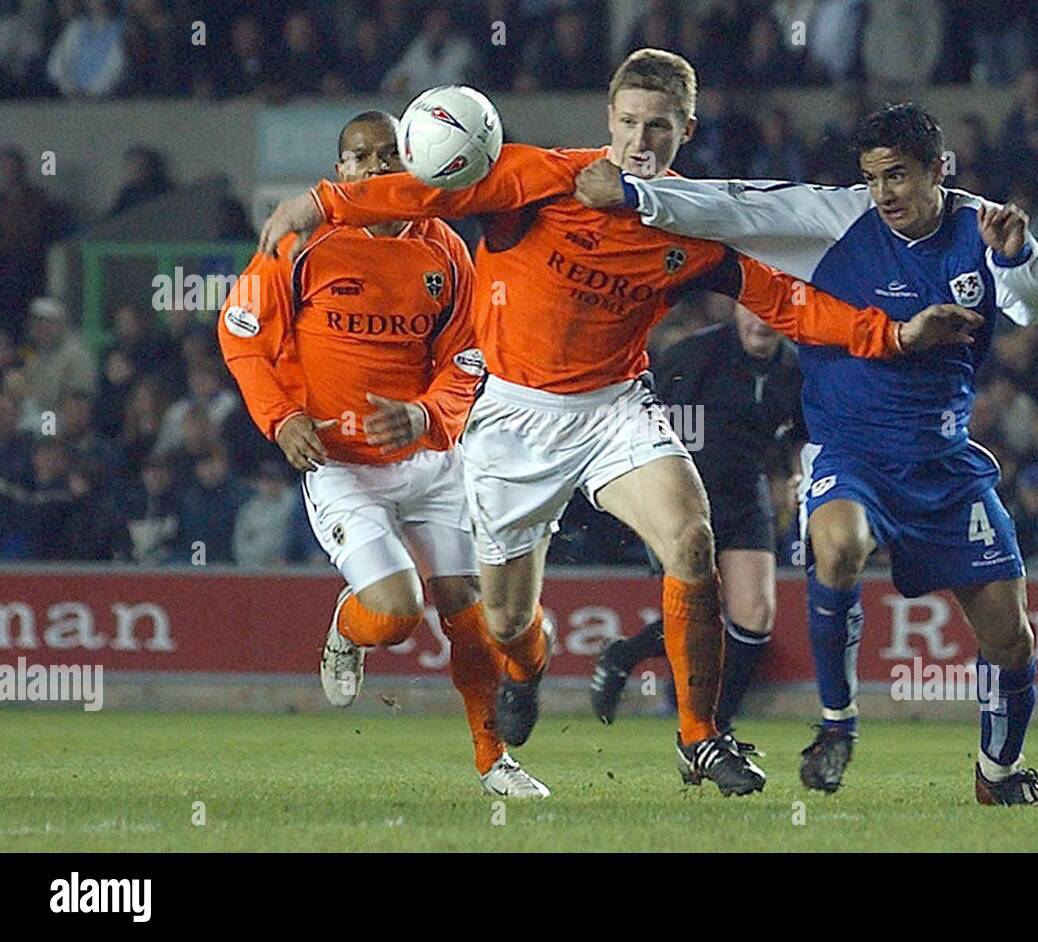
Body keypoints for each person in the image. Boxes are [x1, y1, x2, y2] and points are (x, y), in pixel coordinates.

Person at [257, 52, 980, 796]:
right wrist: (321, 204)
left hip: (614, 408)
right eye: (629, 122)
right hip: (513, 414)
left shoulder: (688, 229)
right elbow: (431, 190)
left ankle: (700, 736)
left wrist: (890, 336)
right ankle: (526, 671)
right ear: (608, 118)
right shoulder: (543, 179)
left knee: (691, 538)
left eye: (658, 127)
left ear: (684, 131)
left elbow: (787, 303)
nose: (640, 140)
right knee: (505, 620)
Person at [575, 101, 1038, 805]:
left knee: (1011, 639)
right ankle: (838, 724)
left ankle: (999, 777)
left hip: (944, 464)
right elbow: (735, 205)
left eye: (898, 176)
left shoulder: (983, 227)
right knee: (836, 544)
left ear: (938, 169)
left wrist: (1018, 256)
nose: (884, 195)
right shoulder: (836, 220)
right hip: (853, 454)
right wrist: (636, 194)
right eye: (873, 178)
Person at [221, 111, 548, 798]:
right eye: (360, 159)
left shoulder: (446, 251)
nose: (375, 170)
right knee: (396, 617)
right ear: (341, 173)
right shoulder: (302, 241)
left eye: (389, 157)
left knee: (468, 608)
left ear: (415, 166)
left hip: (430, 458)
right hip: (340, 464)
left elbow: (468, 358)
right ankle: (348, 625)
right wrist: (280, 421)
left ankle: (494, 762)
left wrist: (429, 414)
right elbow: (243, 334)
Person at [590, 300, 805, 739]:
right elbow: (644, 413)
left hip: (746, 494)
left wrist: (799, 471)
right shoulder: (696, 356)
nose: (761, 320)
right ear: (737, 311)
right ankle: (627, 657)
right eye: (753, 309)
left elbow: (802, 434)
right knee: (696, 611)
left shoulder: (795, 369)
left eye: (772, 312)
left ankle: (716, 730)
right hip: (686, 496)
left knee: (755, 614)